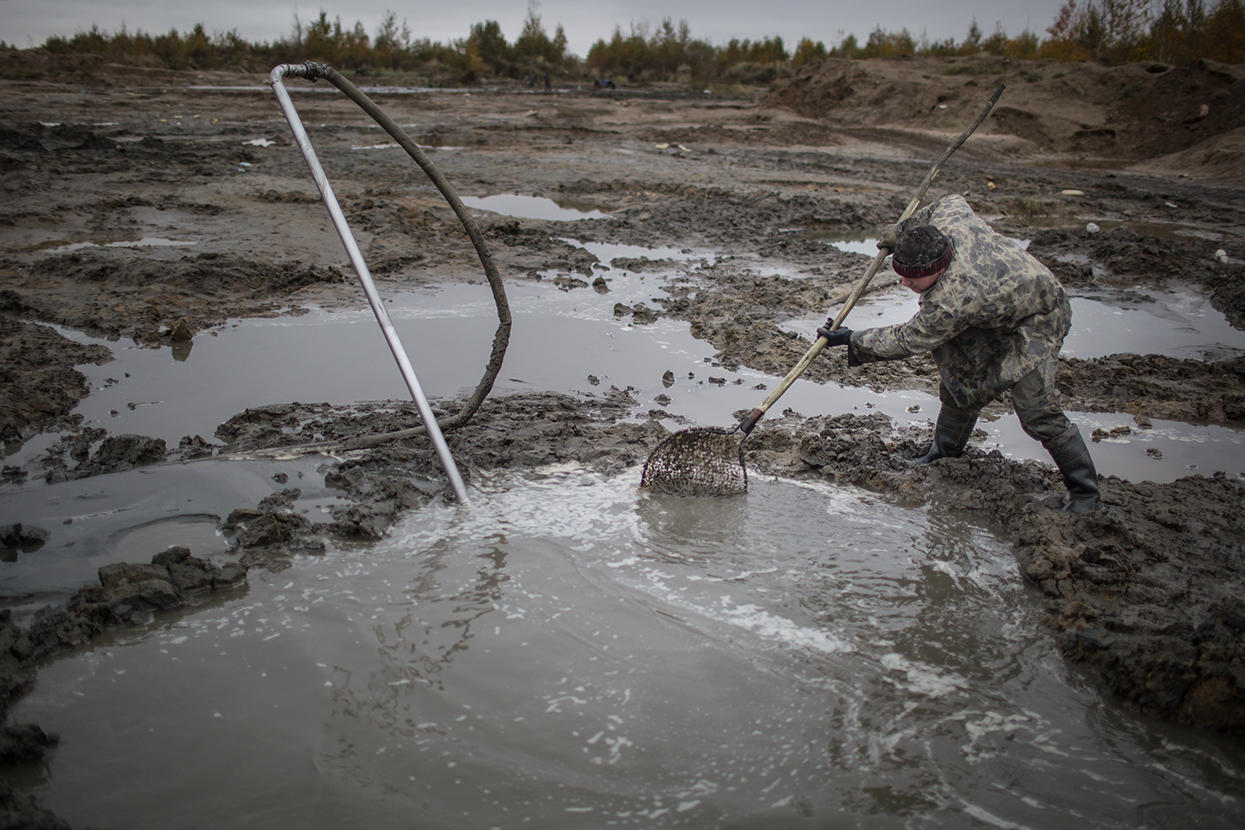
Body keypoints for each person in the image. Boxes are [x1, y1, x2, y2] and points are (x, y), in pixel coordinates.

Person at [816, 194, 1101, 513]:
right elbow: (950, 200)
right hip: (994, 305)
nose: (905, 282)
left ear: (937, 268)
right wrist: (903, 229)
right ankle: (943, 453)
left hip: (1038, 314)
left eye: (912, 277)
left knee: (1036, 409)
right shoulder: (950, 221)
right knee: (958, 375)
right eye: (901, 272)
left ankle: (1085, 493)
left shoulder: (954, 299)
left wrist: (852, 339)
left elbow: (909, 339)